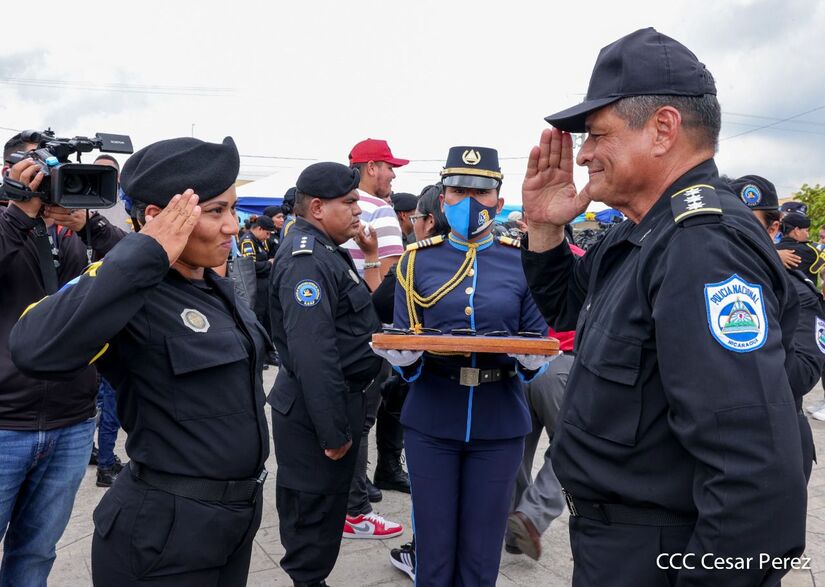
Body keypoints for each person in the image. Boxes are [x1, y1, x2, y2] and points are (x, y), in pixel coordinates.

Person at [520, 28, 806, 586]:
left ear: (663, 129)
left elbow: (753, 475)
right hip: (616, 543)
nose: (584, 153)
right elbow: (565, 308)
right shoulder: (640, 231)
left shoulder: (702, 246)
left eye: (598, 134)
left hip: (658, 553)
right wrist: (544, 226)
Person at [10, 136, 271, 586]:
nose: (233, 226)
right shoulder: (128, 290)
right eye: (215, 211)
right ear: (157, 217)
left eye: (233, 208)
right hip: (165, 535)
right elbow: (33, 347)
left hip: (234, 522)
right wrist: (146, 250)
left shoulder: (216, 288)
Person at [374, 146, 551, 586]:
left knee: (481, 551)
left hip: (499, 419)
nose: (469, 201)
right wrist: (405, 361)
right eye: (458, 191)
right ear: (443, 197)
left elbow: (535, 346)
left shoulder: (522, 260)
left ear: (498, 199)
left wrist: (532, 360)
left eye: (481, 191)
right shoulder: (417, 259)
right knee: (434, 550)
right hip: (433, 417)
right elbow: (407, 343)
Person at [267, 162, 385, 587]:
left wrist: (371, 257)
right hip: (314, 409)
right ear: (317, 208)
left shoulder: (326, 250)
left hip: (334, 401)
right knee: (312, 514)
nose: (358, 211)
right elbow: (313, 353)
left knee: (324, 512)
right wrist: (333, 430)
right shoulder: (307, 260)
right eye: (349, 202)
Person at [0, 134, 100, 586]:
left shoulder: (67, 231)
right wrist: (18, 214)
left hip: (71, 422)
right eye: (34, 167)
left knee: (38, 551)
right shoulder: (8, 222)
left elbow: (128, 275)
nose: (43, 178)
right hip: (4, 421)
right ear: (9, 171)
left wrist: (89, 227)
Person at [730, 174, 825, 474]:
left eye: (748, 222)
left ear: (772, 229)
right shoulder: (694, 279)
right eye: (728, 220)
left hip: (774, 446)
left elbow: (803, 375)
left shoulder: (797, 292)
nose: (734, 231)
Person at [342, 138, 408, 533]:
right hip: (370, 328)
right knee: (364, 416)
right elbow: (389, 279)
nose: (393, 175)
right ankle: (355, 505)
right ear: (370, 168)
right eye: (389, 167)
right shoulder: (380, 210)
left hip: (339, 326)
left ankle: (352, 491)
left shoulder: (339, 206)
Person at [240, 215, 276, 325]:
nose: (268, 237)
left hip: (263, 287)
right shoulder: (248, 241)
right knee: (258, 318)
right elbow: (250, 266)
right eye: (267, 233)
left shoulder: (258, 241)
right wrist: (269, 264)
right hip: (255, 288)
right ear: (259, 228)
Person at [777, 211, 825, 280]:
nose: (808, 235)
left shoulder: (771, 250)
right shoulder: (814, 250)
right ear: (797, 230)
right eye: (806, 231)